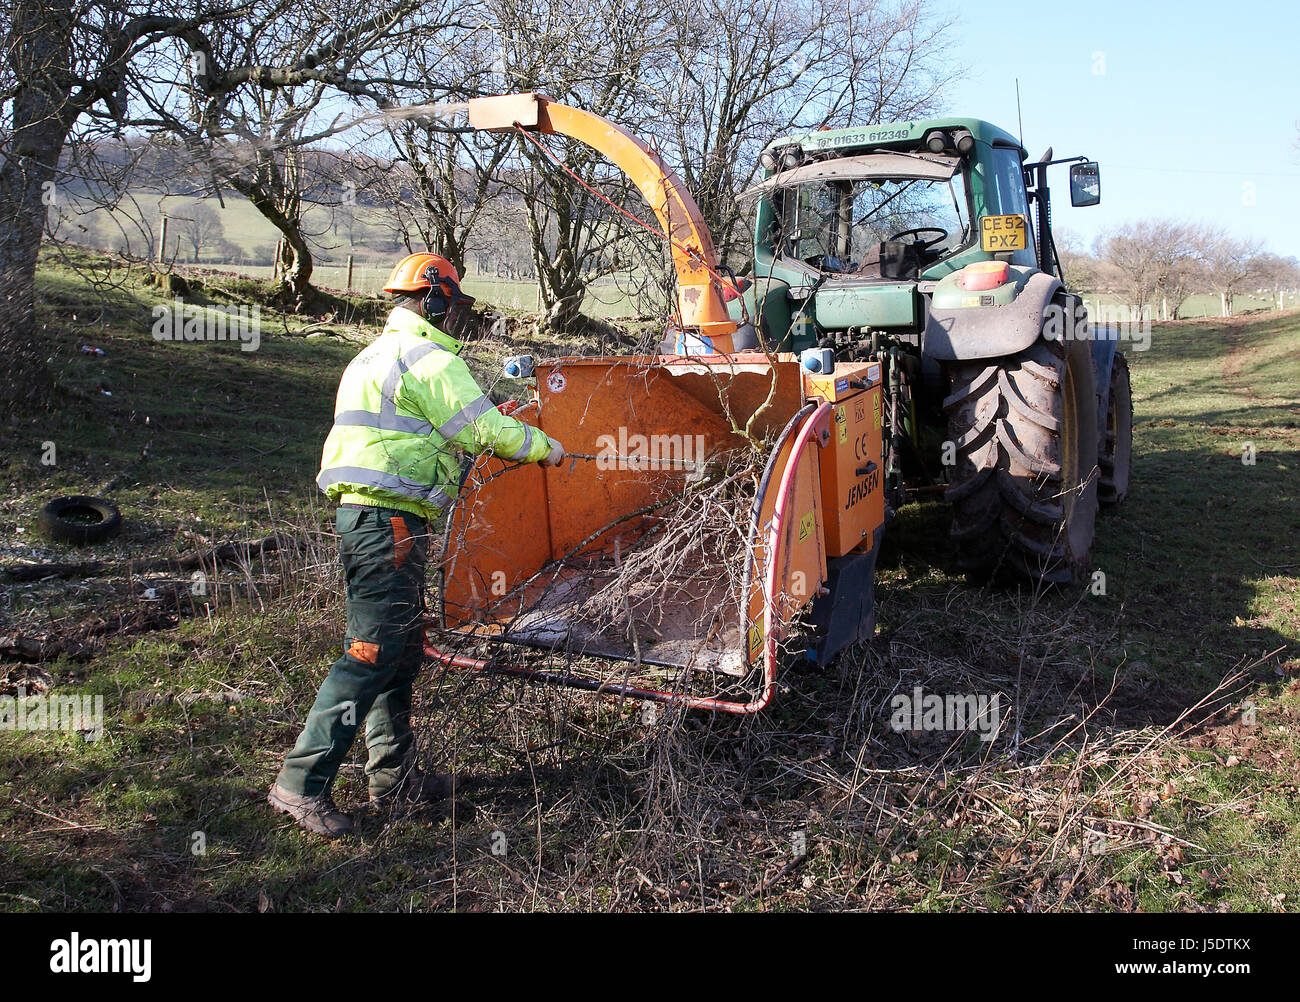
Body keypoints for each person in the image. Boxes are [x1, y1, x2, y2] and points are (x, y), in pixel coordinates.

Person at [268, 252, 564, 836]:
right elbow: (484, 432)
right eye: (452, 305)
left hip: (373, 519)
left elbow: (428, 426)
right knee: (371, 652)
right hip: (390, 523)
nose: (457, 317)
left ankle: (394, 779)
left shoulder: (375, 355)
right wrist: (540, 445)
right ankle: (300, 784)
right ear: (433, 301)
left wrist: (486, 422)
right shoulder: (428, 358)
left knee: (399, 653)